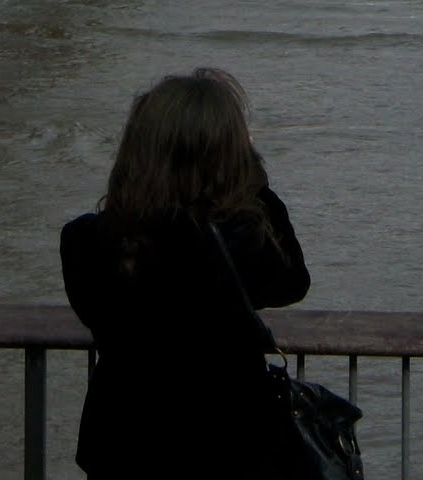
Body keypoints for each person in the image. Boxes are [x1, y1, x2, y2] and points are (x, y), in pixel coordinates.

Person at [60, 68, 310, 480]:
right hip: (230, 450)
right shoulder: (240, 242)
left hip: (123, 449)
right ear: (227, 155)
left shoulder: (85, 242)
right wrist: (252, 174)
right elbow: (292, 281)